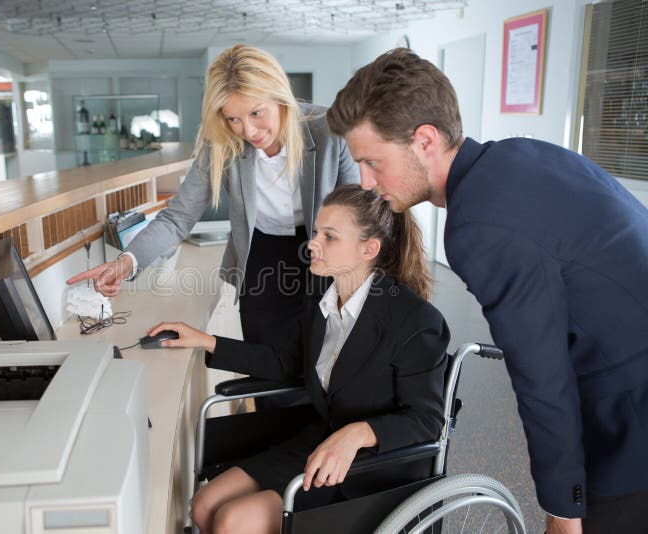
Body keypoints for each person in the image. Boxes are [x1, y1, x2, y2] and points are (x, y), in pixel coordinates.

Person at [327, 48, 648, 534]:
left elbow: (542, 377)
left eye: (373, 162)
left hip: (632, 407)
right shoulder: (519, 155)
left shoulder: (477, 225)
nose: (367, 183)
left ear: (425, 140)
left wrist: (562, 512)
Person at [148, 184, 450, 533]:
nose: (312, 244)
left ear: (369, 248)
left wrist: (357, 434)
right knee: (204, 505)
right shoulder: (321, 294)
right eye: (316, 232)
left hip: (375, 466)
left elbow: (426, 419)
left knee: (232, 521)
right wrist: (206, 341)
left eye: (329, 237)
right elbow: (286, 362)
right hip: (320, 442)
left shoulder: (415, 320)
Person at [66, 45, 359, 363]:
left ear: (279, 96)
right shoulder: (222, 141)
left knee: (329, 364)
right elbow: (178, 218)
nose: (248, 131)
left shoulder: (329, 129)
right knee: (264, 362)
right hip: (260, 257)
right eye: (233, 118)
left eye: (256, 113)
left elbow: (359, 213)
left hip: (325, 252)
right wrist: (126, 262)